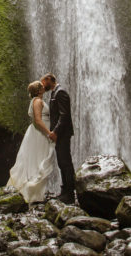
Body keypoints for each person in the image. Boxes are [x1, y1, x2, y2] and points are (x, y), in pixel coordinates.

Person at [6, 81, 57, 203]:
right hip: (40, 134)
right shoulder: (38, 101)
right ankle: (32, 191)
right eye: (42, 86)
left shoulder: (35, 100)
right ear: (39, 90)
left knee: (37, 159)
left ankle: (36, 191)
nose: (44, 87)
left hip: (38, 133)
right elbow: (38, 121)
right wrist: (49, 133)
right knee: (39, 159)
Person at [41, 72, 76, 204]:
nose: (42, 85)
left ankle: (70, 193)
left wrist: (55, 132)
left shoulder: (60, 93)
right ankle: (65, 190)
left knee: (65, 162)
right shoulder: (54, 93)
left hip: (62, 134)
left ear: (49, 79)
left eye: (43, 81)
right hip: (59, 134)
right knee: (62, 162)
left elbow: (64, 115)